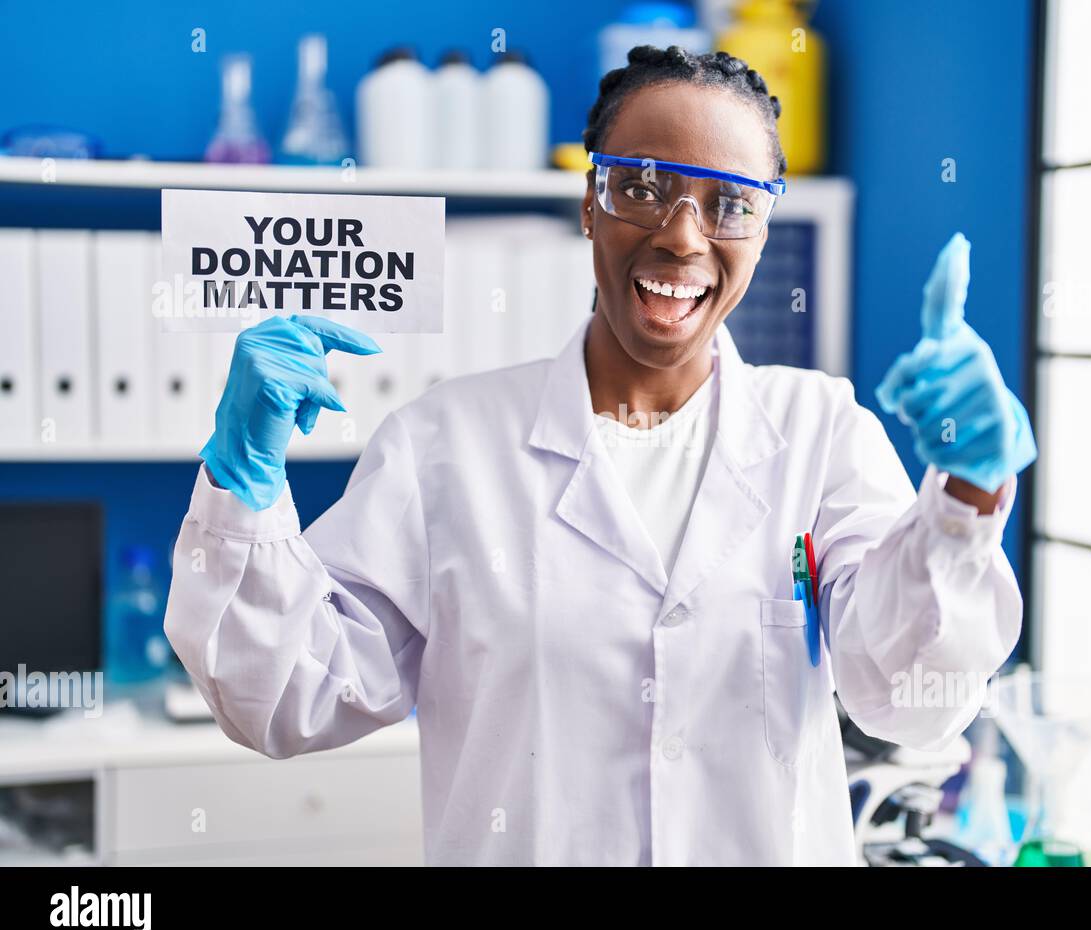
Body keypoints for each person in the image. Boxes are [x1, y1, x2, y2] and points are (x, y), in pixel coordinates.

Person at [164, 45, 1036, 866]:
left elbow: (907, 698)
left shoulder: (821, 431)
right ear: (589, 204)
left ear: (763, 229)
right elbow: (284, 697)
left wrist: (964, 499)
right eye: (645, 188)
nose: (684, 238)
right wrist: (246, 478)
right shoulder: (445, 446)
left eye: (730, 204)